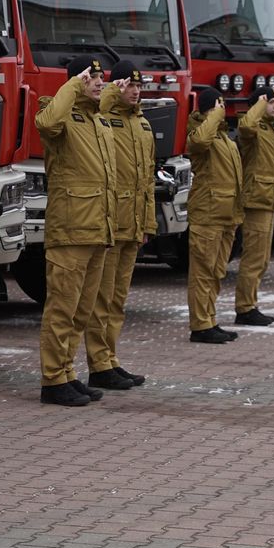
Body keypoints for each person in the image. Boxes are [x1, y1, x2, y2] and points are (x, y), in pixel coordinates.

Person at [35, 56, 116, 405]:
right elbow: (47, 122)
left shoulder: (98, 120)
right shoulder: (60, 114)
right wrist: (71, 84)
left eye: (101, 77)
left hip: (97, 227)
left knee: (82, 310)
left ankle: (67, 372)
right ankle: (52, 379)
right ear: (75, 81)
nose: (100, 83)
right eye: (92, 77)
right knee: (62, 308)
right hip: (70, 229)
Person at [86, 61, 154, 392]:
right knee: (101, 298)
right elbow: (96, 103)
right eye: (129, 85)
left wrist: (147, 224)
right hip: (112, 223)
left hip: (133, 224)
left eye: (138, 86)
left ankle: (110, 358)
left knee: (117, 299)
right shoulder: (104, 116)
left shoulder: (141, 123)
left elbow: (148, 180)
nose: (135, 91)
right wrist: (112, 90)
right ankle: (98, 363)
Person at [186, 86, 245, 342]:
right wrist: (212, 117)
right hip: (207, 213)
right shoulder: (200, 133)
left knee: (216, 271)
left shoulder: (224, 138)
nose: (223, 110)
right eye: (218, 105)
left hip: (227, 214)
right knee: (203, 271)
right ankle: (200, 325)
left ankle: (209, 319)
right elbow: (198, 142)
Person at [233, 86, 274, 325]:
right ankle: (244, 308)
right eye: (271, 101)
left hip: (268, 200)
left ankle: (250, 303)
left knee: (262, 259)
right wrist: (259, 104)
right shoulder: (252, 128)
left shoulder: (270, 129)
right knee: (253, 258)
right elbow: (244, 126)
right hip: (256, 200)